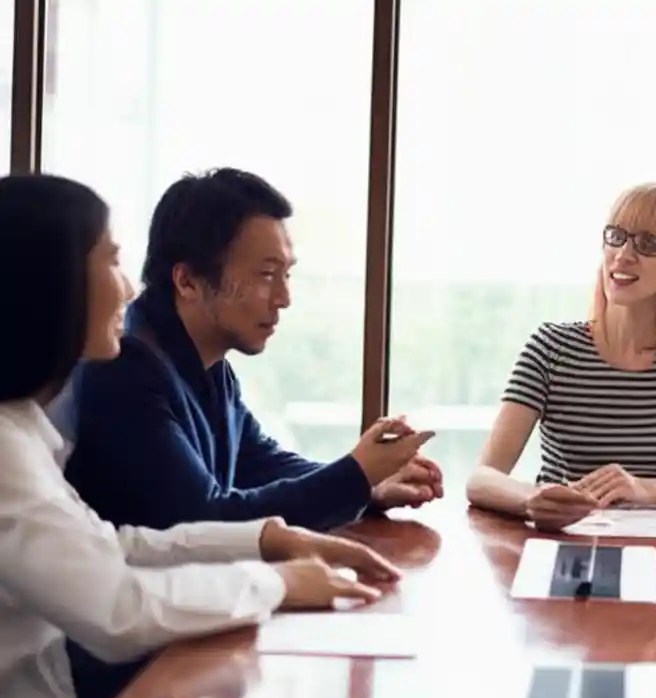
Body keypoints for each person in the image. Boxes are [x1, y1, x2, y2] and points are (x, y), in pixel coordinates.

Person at [0, 174, 402, 698]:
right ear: (48, 284)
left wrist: (273, 537)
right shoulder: (110, 381)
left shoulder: (23, 426)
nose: (128, 287)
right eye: (111, 261)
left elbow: (114, 544)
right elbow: (120, 608)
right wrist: (278, 580)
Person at [64, 168, 442, 534]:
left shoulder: (206, 361)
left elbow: (259, 464)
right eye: (266, 274)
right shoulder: (126, 367)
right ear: (188, 280)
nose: (284, 298)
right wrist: (356, 475)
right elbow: (206, 521)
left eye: (286, 274)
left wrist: (369, 483)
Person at [466, 182, 656, 529]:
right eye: (616, 236)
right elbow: (481, 478)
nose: (623, 254)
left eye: (648, 244)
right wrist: (531, 500)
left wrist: (654, 489)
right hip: (565, 543)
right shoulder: (550, 347)